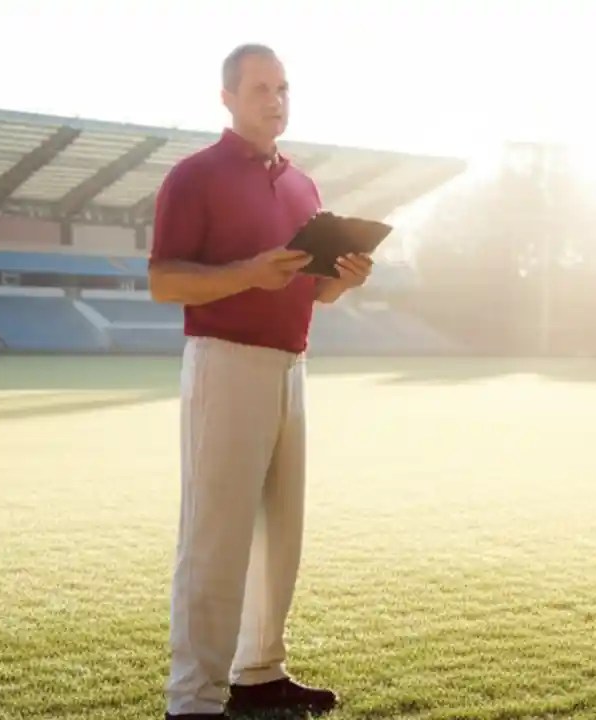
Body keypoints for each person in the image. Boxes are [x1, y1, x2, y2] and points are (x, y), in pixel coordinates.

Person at [148, 43, 373, 720]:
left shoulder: (304, 188)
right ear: (227, 99)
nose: (275, 100)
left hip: (290, 364)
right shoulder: (194, 177)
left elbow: (314, 294)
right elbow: (163, 281)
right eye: (260, 90)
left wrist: (342, 282)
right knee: (215, 536)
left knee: (280, 534)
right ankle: (193, 700)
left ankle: (260, 673)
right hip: (225, 361)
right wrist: (249, 271)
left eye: (283, 89)